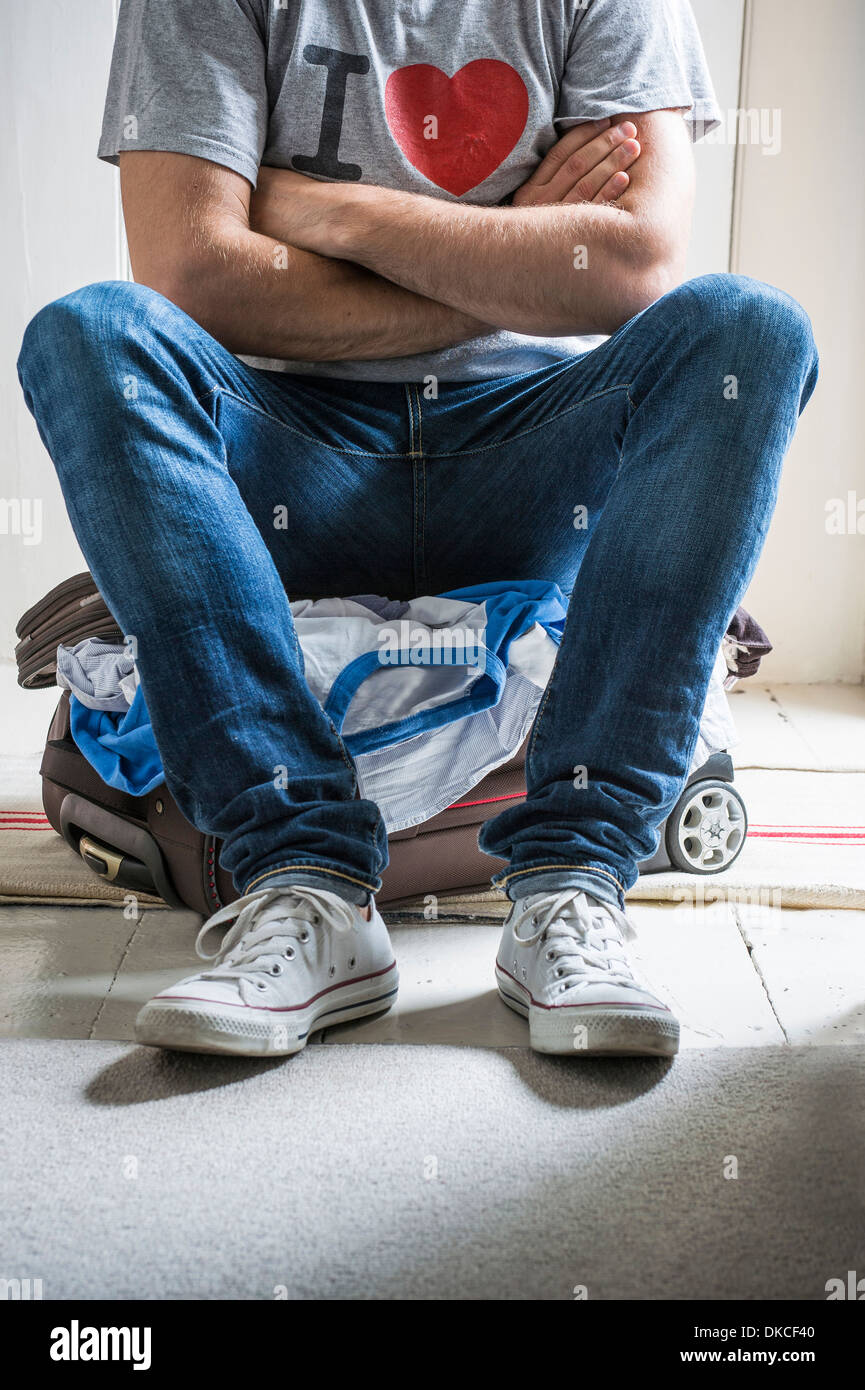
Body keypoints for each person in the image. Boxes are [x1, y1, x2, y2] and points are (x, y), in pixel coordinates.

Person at [17, 0, 818, 1060]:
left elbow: (631, 270)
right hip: (292, 457)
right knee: (90, 334)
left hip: (533, 457)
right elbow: (192, 273)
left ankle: (571, 884)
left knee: (749, 329)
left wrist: (328, 214)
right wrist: (513, 251)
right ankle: (306, 881)